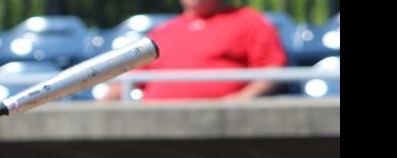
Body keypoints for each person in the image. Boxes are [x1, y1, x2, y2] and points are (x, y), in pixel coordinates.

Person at [115, 1, 287, 102]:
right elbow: (127, 80)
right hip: (154, 122)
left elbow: (272, 70)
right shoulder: (162, 32)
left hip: (216, 125)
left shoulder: (250, 22)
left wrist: (240, 101)